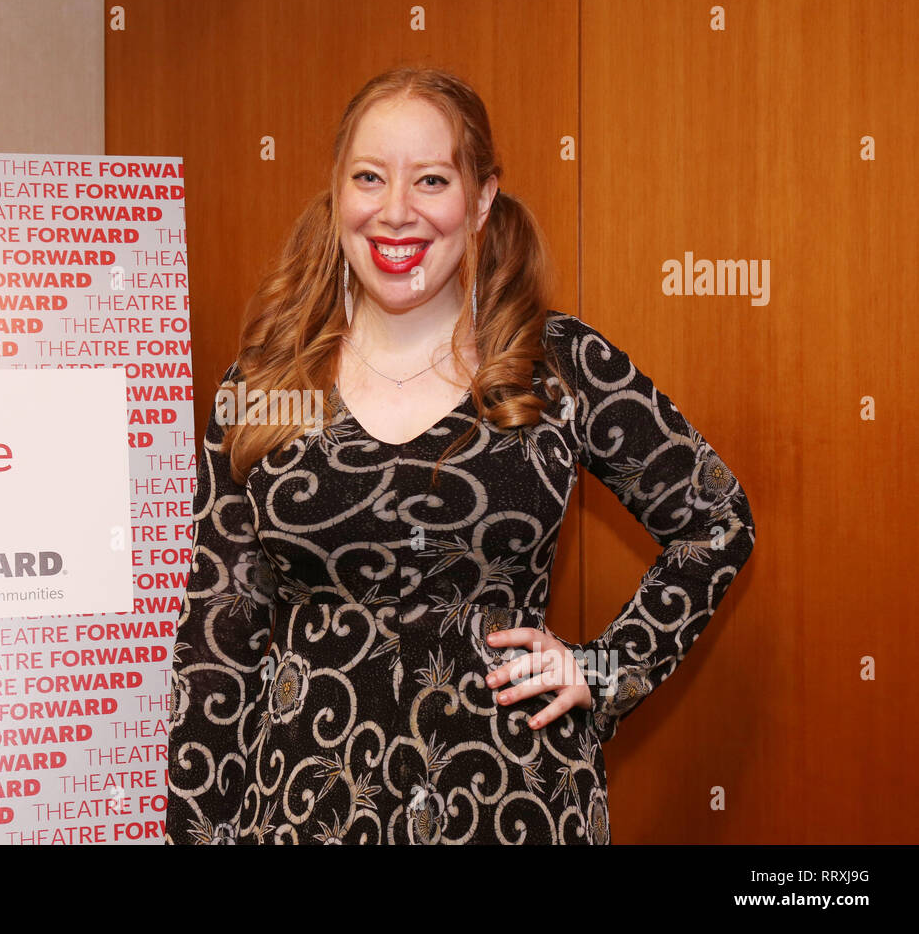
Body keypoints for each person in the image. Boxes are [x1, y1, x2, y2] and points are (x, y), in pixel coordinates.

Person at [164, 66, 755, 844]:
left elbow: (717, 519)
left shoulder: (558, 366)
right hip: (308, 815)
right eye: (369, 177)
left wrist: (606, 670)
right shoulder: (267, 386)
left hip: (518, 809)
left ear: (480, 200)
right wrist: (197, 835)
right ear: (337, 192)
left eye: (432, 179)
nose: (396, 212)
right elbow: (220, 632)